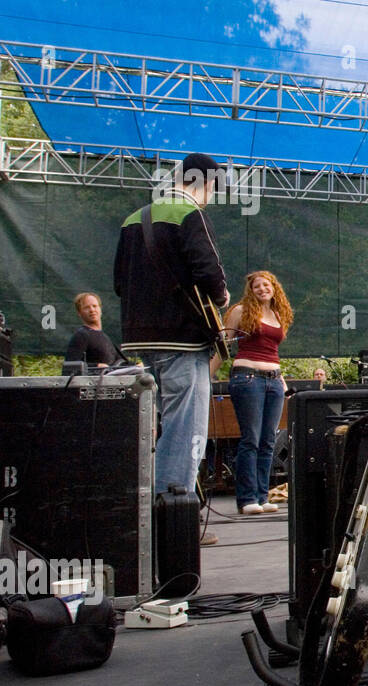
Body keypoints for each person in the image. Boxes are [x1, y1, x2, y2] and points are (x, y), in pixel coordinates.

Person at [115, 152, 228, 544]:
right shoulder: (189, 214)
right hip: (181, 338)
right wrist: (223, 298)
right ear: (207, 184)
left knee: (164, 428)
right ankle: (173, 521)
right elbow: (209, 271)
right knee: (186, 429)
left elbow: (118, 281)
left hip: (142, 339)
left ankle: (154, 511)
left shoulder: (134, 217)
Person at [220, 270, 293, 515]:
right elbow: (224, 345)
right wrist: (209, 373)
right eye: (256, 286)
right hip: (248, 377)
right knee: (250, 439)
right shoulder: (240, 312)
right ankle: (247, 498)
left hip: (273, 380)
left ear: (274, 287)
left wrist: (281, 381)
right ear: (251, 291)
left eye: (266, 284)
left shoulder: (278, 314)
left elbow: (272, 350)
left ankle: (262, 496)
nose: (262, 289)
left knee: (268, 440)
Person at [64, 292, 124, 370]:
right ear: (79, 313)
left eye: (95, 306)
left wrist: (135, 365)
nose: (92, 310)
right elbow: (70, 366)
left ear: (100, 309)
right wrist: (96, 366)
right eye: (87, 307)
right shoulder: (81, 335)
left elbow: (119, 363)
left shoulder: (104, 337)